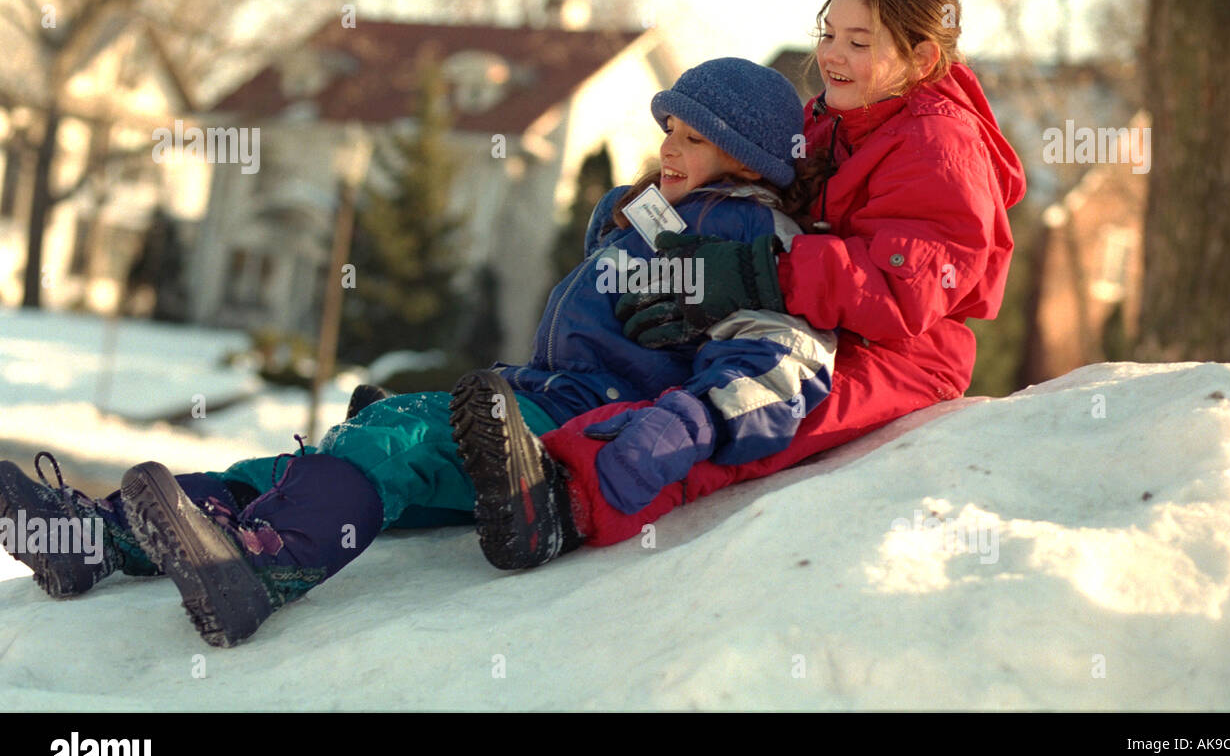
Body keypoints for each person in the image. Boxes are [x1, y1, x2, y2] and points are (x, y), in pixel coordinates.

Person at [0, 57, 836, 646]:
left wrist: (679, 427)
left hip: (579, 421)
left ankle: (271, 567)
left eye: (691, 139)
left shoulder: (752, 237)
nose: (667, 149)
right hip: (536, 393)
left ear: (747, 161)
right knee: (337, 454)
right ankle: (101, 538)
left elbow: (782, 365)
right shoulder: (655, 215)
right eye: (668, 130)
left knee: (395, 433)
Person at [454, 0, 1026, 558]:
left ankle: (570, 501)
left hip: (900, 354)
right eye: (828, 33)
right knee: (659, 368)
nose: (832, 55)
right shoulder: (828, 120)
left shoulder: (941, 145)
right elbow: (738, 190)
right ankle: (480, 463)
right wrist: (650, 212)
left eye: (858, 43)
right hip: (805, 313)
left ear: (921, 60)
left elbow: (905, 288)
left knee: (751, 412)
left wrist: (755, 276)